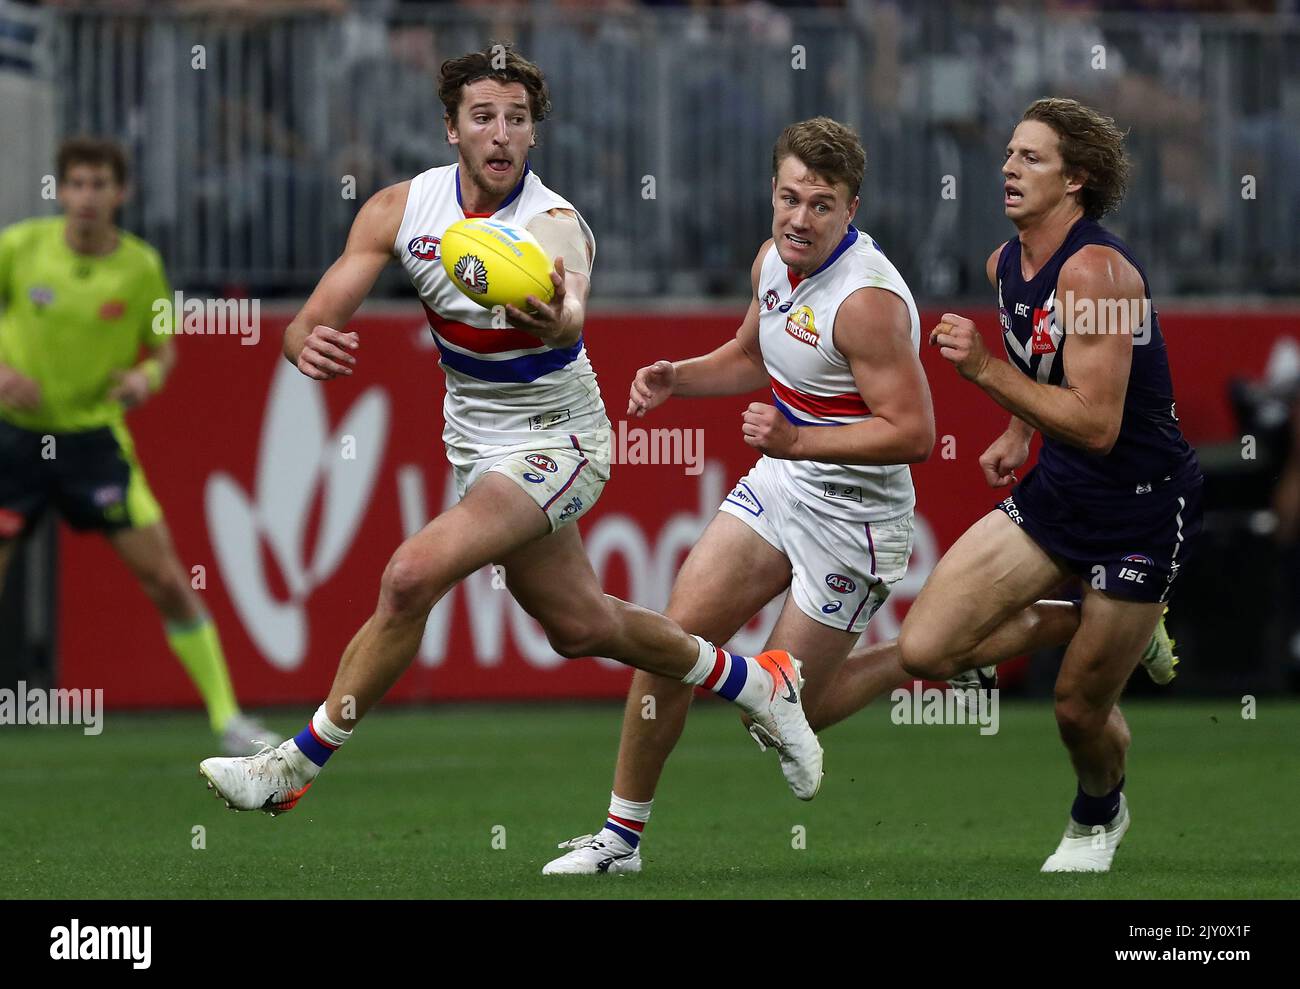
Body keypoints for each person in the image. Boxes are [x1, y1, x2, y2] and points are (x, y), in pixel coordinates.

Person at [197, 45, 821, 816]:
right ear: (451, 129)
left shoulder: (552, 223)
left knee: (410, 574)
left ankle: (292, 766)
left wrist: (554, 317)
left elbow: (571, 312)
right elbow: (310, 320)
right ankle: (760, 681)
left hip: (561, 442)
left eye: (517, 120)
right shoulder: (400, 209)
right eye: (483, 117)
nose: (501, 134)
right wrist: (304, 342)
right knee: (582, 625)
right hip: (478, 446)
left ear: (534, 134)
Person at [543, 117, 935, 875]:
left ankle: (908, 657)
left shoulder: (867, 303)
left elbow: (915, 432)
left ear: (852, 209)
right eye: (790, 198)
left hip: (854, 522)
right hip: (784, 487)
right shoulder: (773, 262)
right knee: (670, 645)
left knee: (790, 713)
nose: (800, 218)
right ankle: (619, 842)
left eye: (822, 205)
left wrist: (798, 440)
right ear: (772, 193)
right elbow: (753, 353)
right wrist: (678, 377)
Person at [897, 97, 1203, 872]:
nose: (1008, 167)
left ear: (1079, 180)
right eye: (1009, 153)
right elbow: (1048, 368)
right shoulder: (1007, 264)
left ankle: (1098, 812)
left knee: (1075, 709)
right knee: (925, 648)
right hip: (1060, 490)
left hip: (1139, 507)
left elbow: (1099, 422)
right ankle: (1104, 618)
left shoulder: (1097, 271)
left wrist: (983, 373)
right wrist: (1017, 431)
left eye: (1031, 158)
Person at [0, 137, 276, 755]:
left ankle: (228, 720)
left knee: (166, 579)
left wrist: (142, 379)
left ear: (120, 194)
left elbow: (163, 349)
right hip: (13, 440)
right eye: (76, 184)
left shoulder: (139, 266)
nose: (87, 198)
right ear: (60, 190)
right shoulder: (19, 249)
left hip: (93, 443)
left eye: (100, 185)